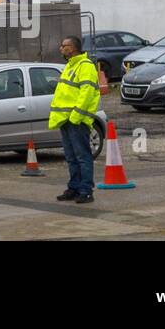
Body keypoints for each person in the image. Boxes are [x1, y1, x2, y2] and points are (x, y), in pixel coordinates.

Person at [49, 35, 101, 204]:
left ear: (72, 48)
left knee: (82, 156)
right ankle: (74, 187)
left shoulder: (85, 66)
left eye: (63, 45)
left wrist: (75, 117)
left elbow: (86, 94)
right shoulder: (70, 66)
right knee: (71, 157)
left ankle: (86, 191)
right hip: (66, 120)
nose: (61, 49)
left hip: (76, 120)